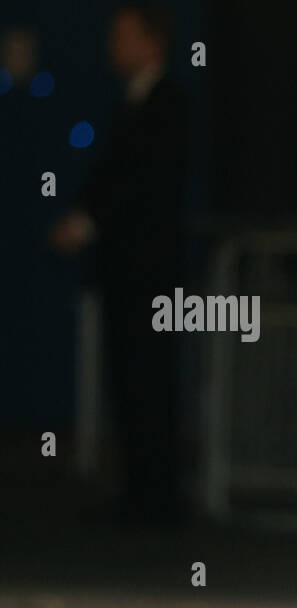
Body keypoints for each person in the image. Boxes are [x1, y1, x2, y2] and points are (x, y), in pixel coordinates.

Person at [50, 3, 188, 521]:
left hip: (148, 277)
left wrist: (86, 223)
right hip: (127, 275)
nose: (113, 46)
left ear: (153, 42)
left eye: (123, 36)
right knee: (129, 381)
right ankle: (140, 493)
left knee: (147, 380)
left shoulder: (167, 101)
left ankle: (156, 498)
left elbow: (138, 185)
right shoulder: (132, 101)